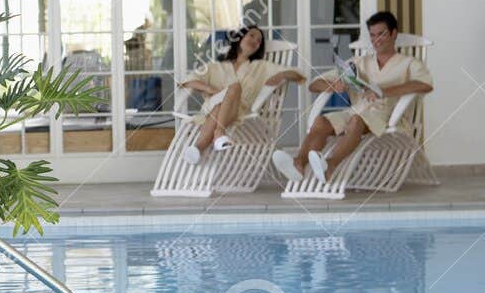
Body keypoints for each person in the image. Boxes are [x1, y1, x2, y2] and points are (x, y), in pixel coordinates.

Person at [272, 11, 433, 184]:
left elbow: (425, 85)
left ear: (394, 34)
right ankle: (298, 164)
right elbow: (314, 84)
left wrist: (383, 91)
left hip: (388, 115)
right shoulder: (359, 63)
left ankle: (330, 166)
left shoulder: (409, 63)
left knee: (356, 120)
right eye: (372, 35)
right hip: (355, 112)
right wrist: (333, 86)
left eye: (381, 34)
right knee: (321, 122)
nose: (376, 40)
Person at [178, 25, 304, 164]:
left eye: (259, 41)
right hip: (211, 109)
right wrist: (211, 90)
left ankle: (198, 148)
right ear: (239, 38)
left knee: (232, 91)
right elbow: (188, 80)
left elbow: (298, 74)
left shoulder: (261, 66)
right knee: (229, 94)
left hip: (239, 112)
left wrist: (283, 74)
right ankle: (217, 135)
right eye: (251, 35)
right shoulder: (216, 67)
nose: (255, 41)